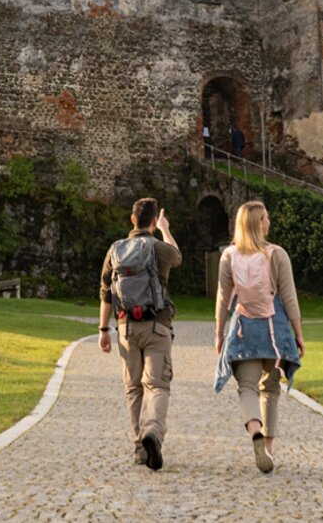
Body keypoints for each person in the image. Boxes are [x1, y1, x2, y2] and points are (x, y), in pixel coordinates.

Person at [212, 199, 304, 474]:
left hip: (244, 329)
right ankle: (269, 448)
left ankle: (255, 430)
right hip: (274, 330)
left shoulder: (229, 256)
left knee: (247, 387)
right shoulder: (277, 254)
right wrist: (298, 334)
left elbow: (223, 299)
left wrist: (219, 332)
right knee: (271, 389)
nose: (268, 222)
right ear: (259, 224)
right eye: (265, 218)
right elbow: (289, 298)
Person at [98, 196, 181, 471]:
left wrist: (103, 330)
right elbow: (177, 257)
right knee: (157, 385)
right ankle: (152, 433)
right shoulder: (158, 247)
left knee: (133, 388)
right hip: (157, 326)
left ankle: (139, 449)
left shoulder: (115, 249)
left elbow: (106, 292)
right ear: (153, 222)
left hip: (126, 328)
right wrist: (166, 229)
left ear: (132, 219)